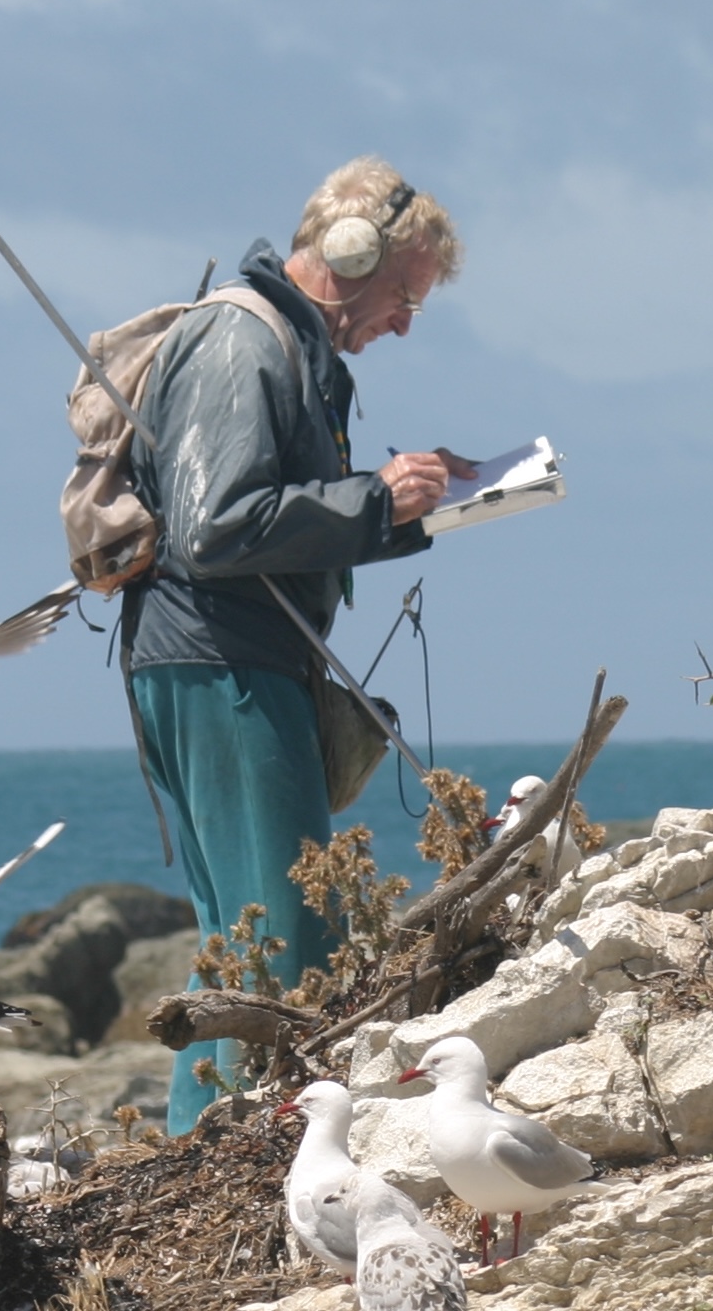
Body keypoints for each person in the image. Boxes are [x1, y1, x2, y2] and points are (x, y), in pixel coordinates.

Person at [124, 155, 471, 1133]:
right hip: (223, 666)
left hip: (226, 662)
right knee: (286, 940)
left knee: (245, 940)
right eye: (405, 297)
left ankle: (198, 1147)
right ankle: (236, 1153)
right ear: (351, 255)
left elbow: (263, 519)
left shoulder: (287, 348)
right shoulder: (245, 341)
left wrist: (402, 511)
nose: (404, 324)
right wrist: (375, 501)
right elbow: (214, 527)